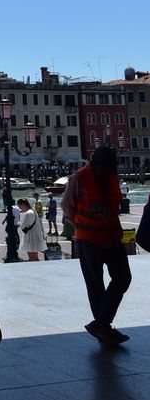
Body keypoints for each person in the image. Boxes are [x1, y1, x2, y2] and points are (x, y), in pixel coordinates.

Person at [62, 146, 130, 346]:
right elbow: (67, 207)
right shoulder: (79, 178)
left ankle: (101, 324)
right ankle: (104, 329)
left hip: (111, 237)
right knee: (95, 285)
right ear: (95, 165)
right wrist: (81, 228)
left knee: (123, 277)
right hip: (88, 240)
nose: (109, 172)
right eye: (106, 168)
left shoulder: (110, 176)